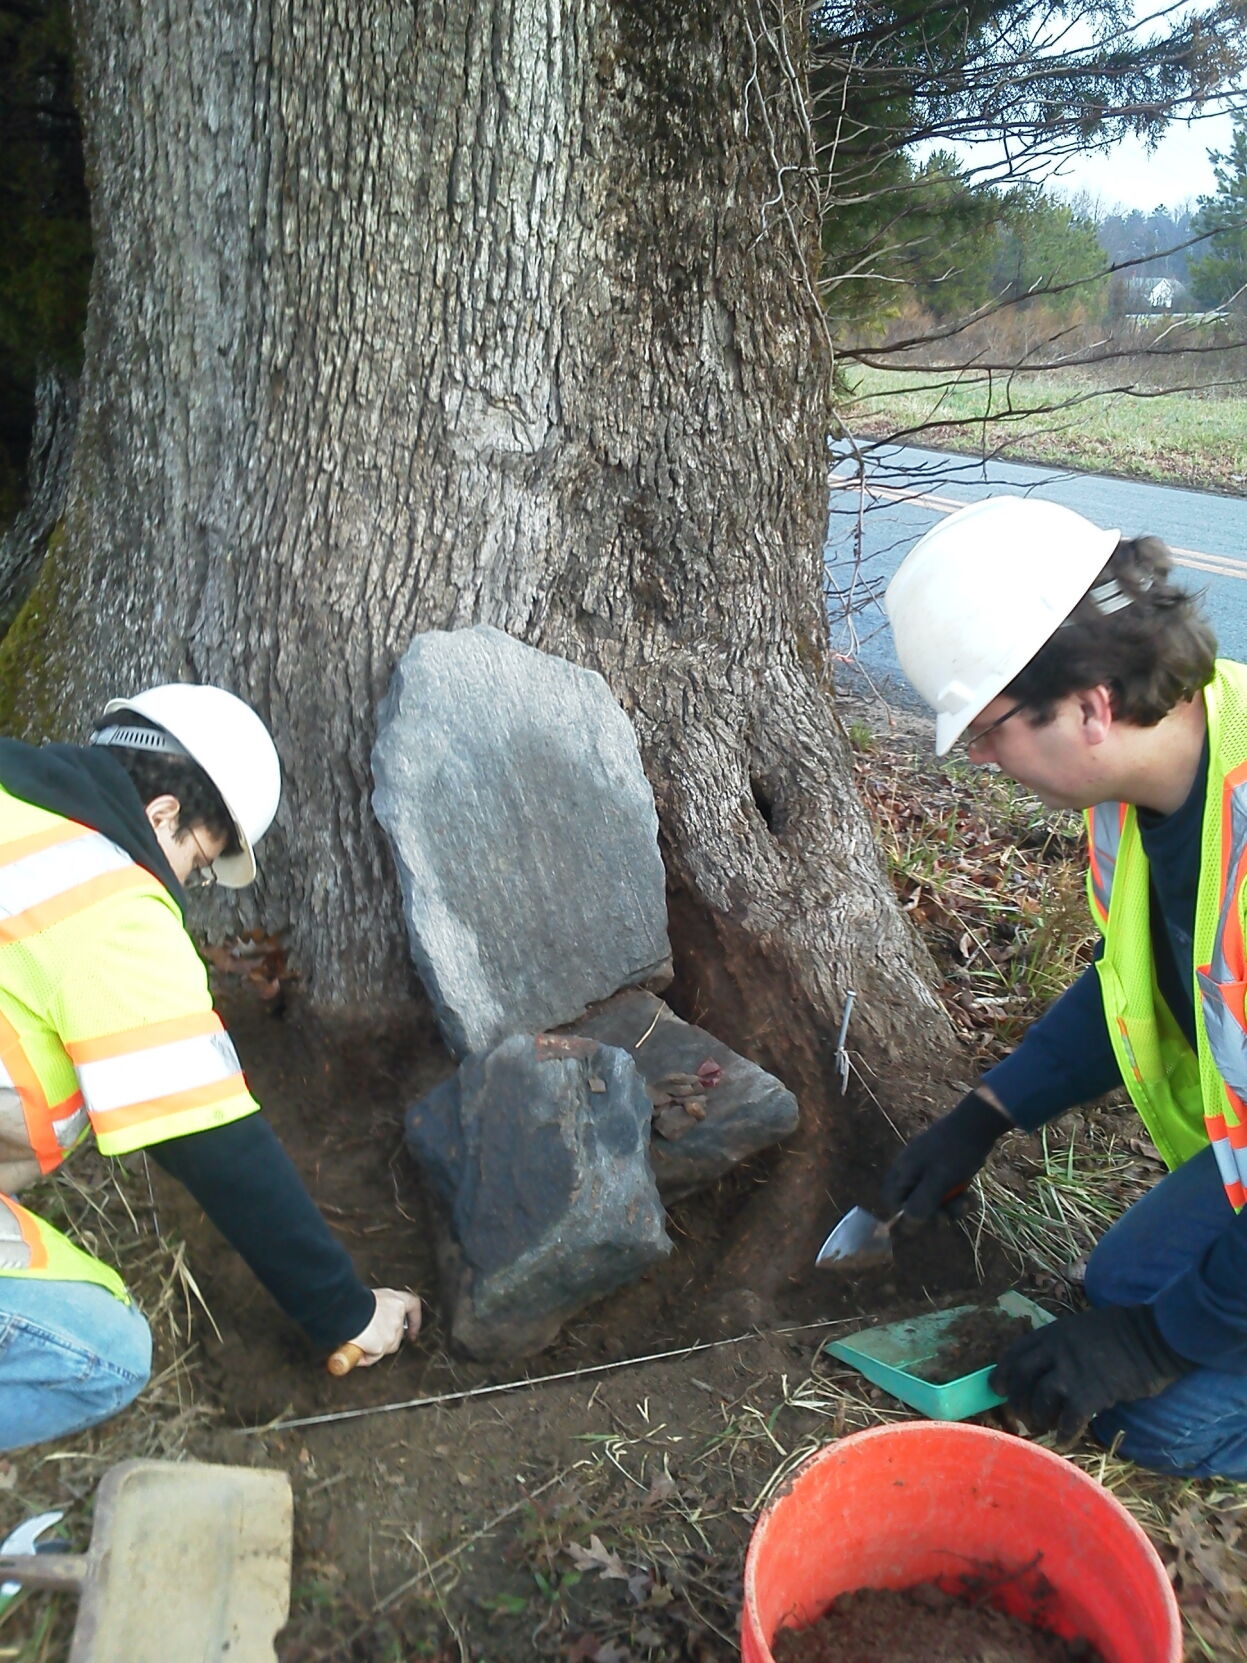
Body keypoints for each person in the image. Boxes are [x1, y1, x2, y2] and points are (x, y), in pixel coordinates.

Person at [880, 494, 1247, 1479]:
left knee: (1159, 1417)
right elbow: (1135, 983)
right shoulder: (1148, 788)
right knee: (1124, 1285)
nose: (985, 762)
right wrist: (986, 1111)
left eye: (989, 730)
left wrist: (1148, 1349)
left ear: (1088, 699)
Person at [0, 683, 421, 1451]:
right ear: (161, 814)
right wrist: (346, 1312)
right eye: (196, 858)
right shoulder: (111, 907)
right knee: (104, 1352)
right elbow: (220, 1149)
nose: (187, 885)